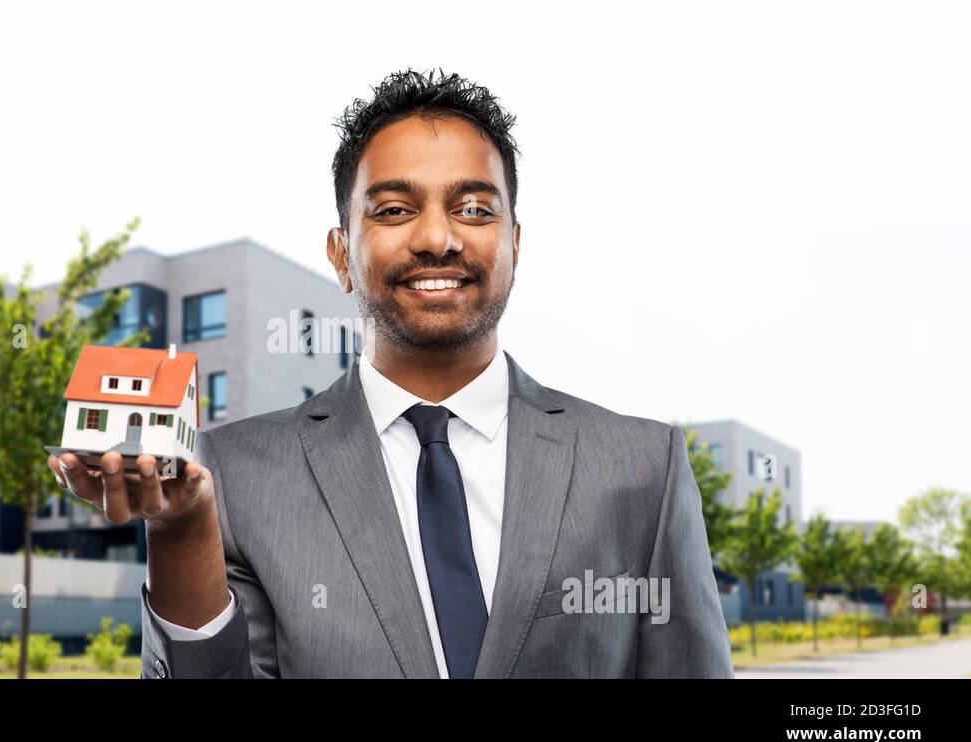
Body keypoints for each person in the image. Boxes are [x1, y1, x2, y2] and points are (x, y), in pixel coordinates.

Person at [49, 68, 734, 678]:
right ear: (342, 254)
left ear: (514, 244)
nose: (438, 238)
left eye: (473, 208)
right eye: (395, 210)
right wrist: (180, 532)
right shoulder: (236, 472)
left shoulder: (643, 469)